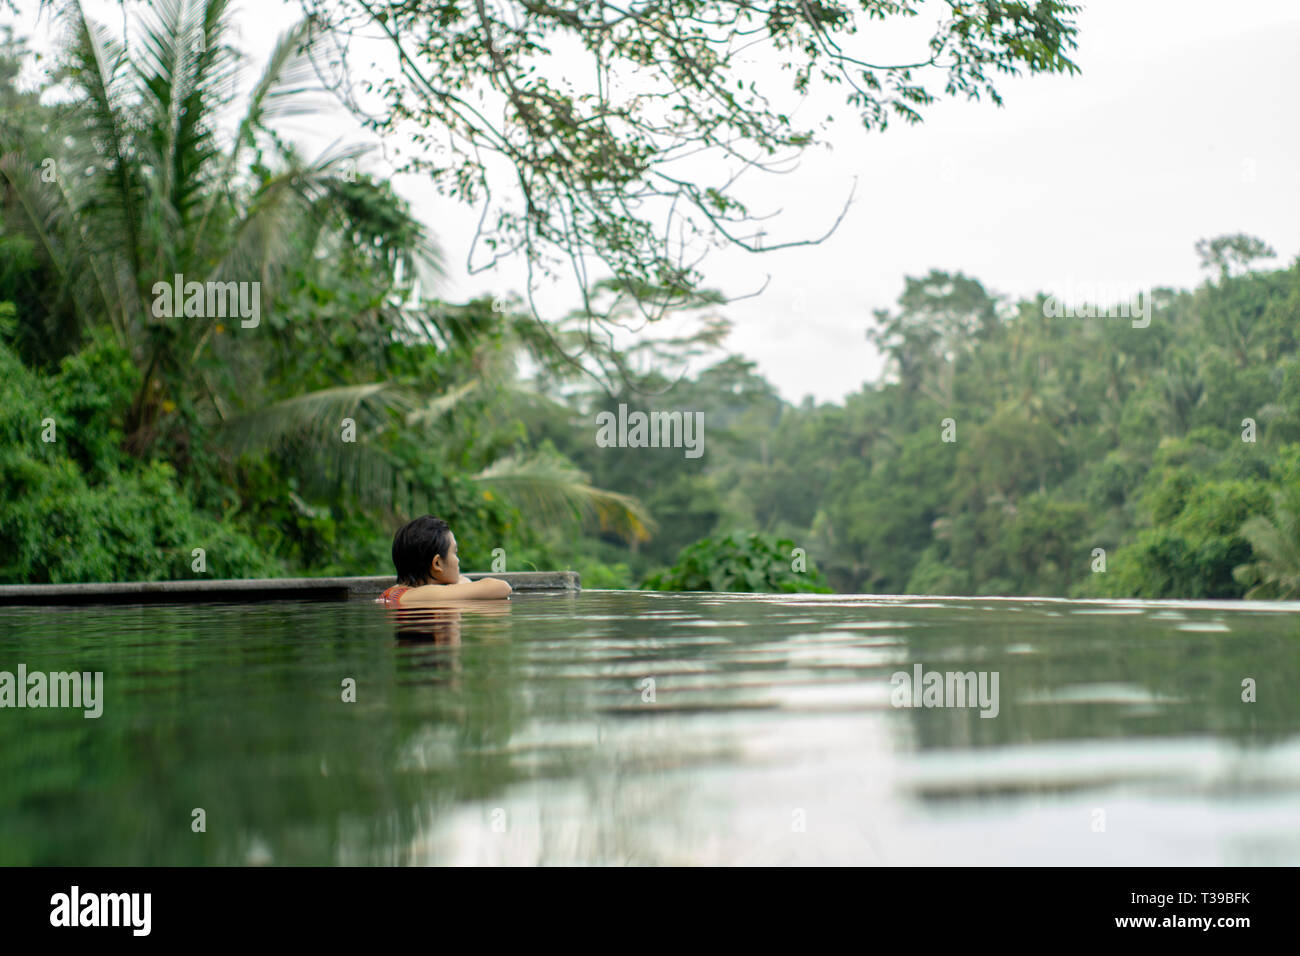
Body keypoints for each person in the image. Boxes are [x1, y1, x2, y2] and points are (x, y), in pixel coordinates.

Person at [379, 515, 512, 606]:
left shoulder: (397, 592)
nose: (458, 560)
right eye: (455, 552)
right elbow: (502, 588)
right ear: (437, 563)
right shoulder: (426, 595)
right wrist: (461, 584)